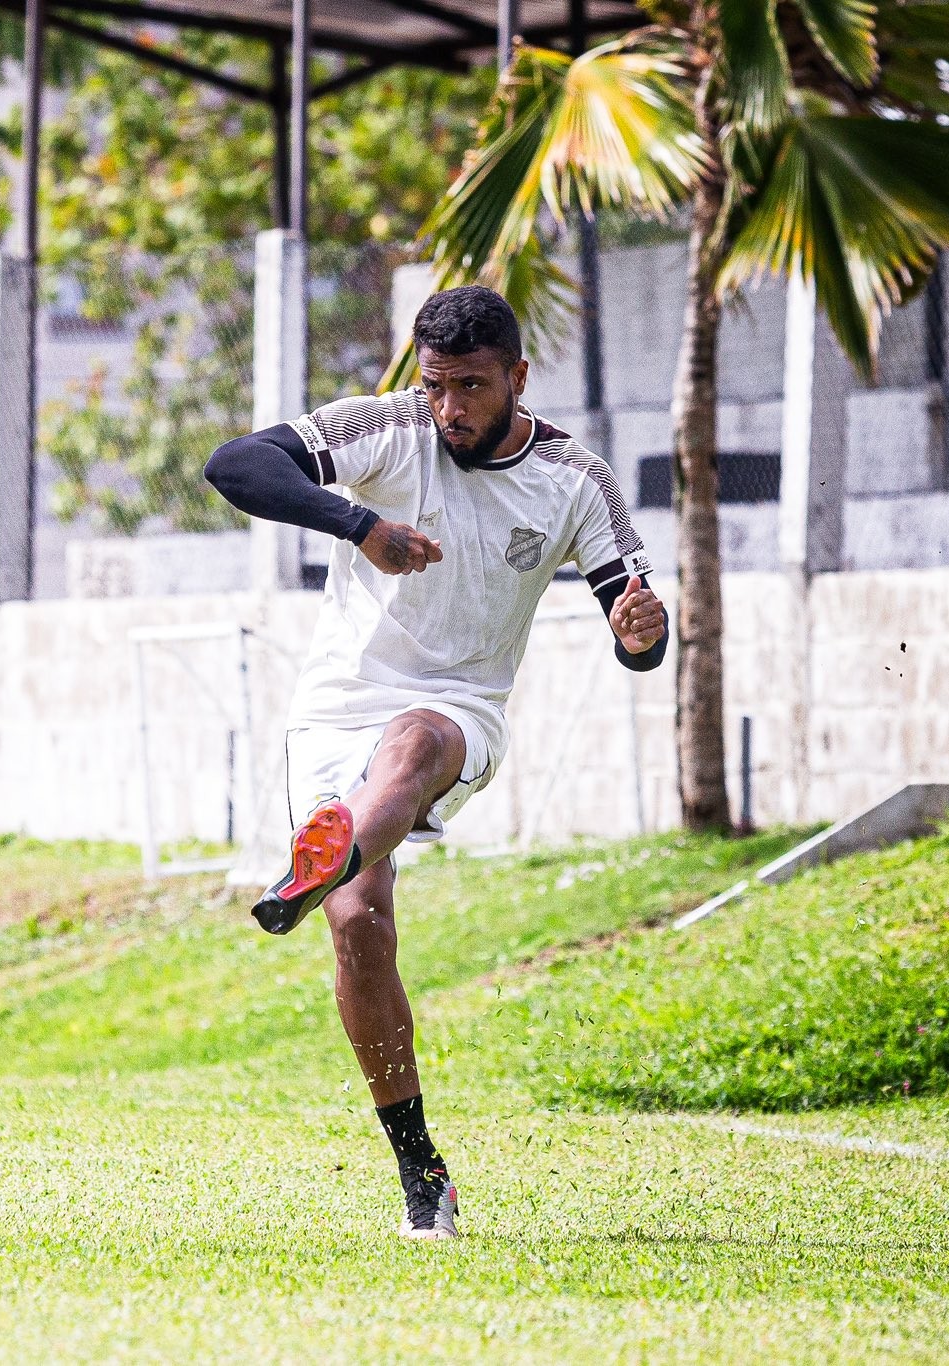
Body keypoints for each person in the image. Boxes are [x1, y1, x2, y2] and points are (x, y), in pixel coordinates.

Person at [204, 285, 667, 1239]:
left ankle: (325, 856)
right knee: (359, 925)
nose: (449, 408)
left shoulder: (575, 479)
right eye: (436, 385)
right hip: (335, 709)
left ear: (518, 377)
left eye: (472, 387)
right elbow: (235, 465)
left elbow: (638, 629)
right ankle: (423, 1173)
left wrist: (641, 634)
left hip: (460, 708)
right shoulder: (389, 429)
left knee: (413, 744)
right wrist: (360, 527)